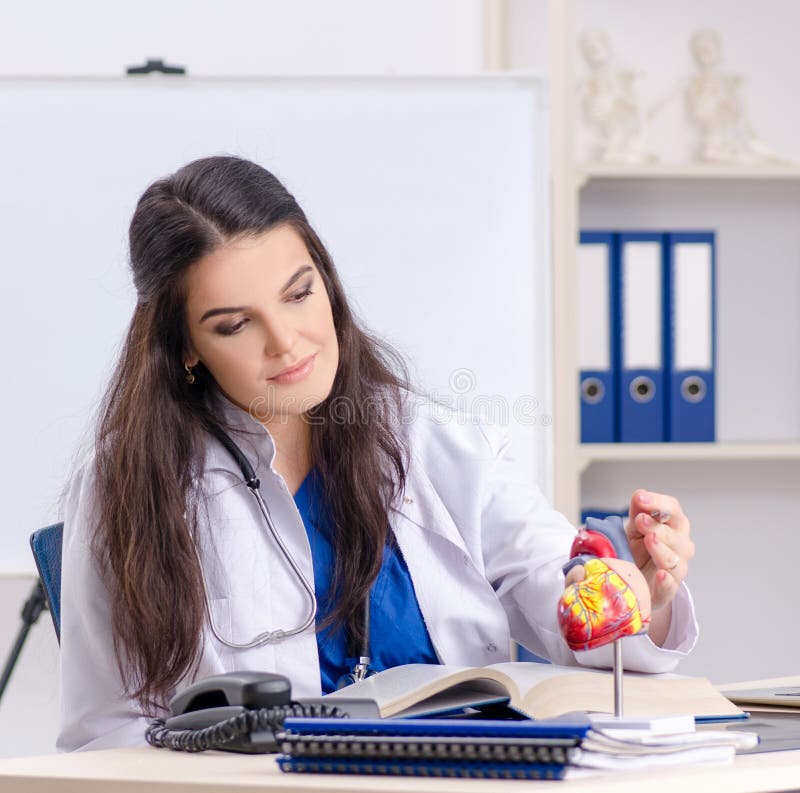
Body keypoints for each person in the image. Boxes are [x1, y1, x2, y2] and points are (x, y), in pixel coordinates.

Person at [58, 155, 697, 752]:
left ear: (328, 282)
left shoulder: (436, 444)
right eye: (235, 325)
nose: (287, 342)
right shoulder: (126, 483)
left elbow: (564, 602)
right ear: (185, 346)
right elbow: (104, 731)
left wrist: (637, 594)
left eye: (299, 293)